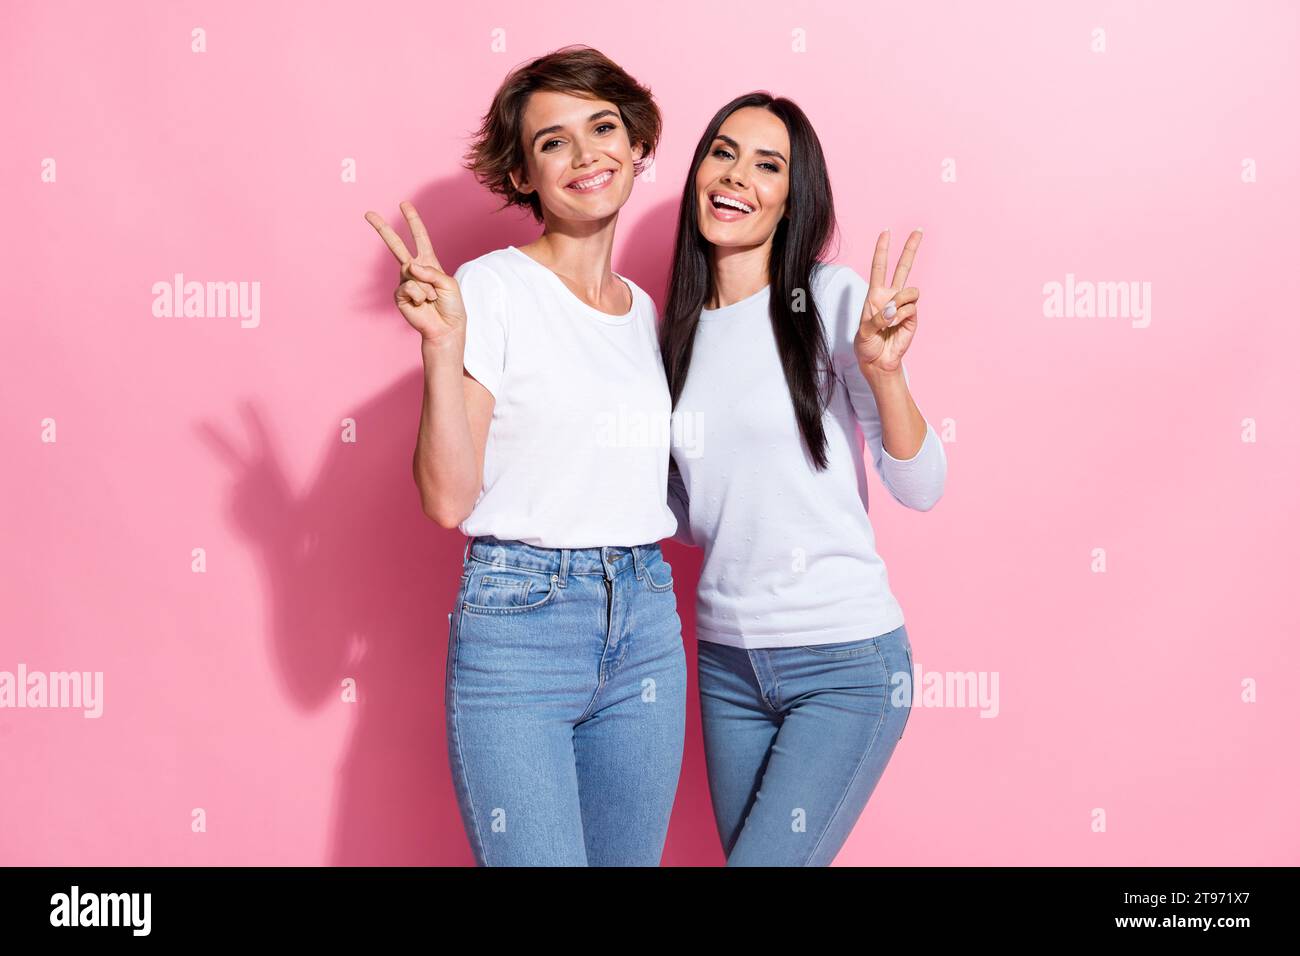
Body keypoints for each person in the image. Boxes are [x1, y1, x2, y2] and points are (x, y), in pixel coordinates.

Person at [365, 45, 685, 866]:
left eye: (603, 127)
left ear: (637, 142)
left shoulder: (644, 313)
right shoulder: (492, 289)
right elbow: (446, 500)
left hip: (646, 616)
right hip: (522, 622)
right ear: (523, 176)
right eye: (553, 142)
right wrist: (442, 346)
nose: (586, 156)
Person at [660, 92, 947, 865]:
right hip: (725, 664)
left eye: (767, 165)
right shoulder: (673, 332)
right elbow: (692, 510)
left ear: (793, 199)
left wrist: (885, 373)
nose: (736, 177)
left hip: (844, 661)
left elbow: (920, 485)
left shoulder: (830, 299)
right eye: (723, 152)